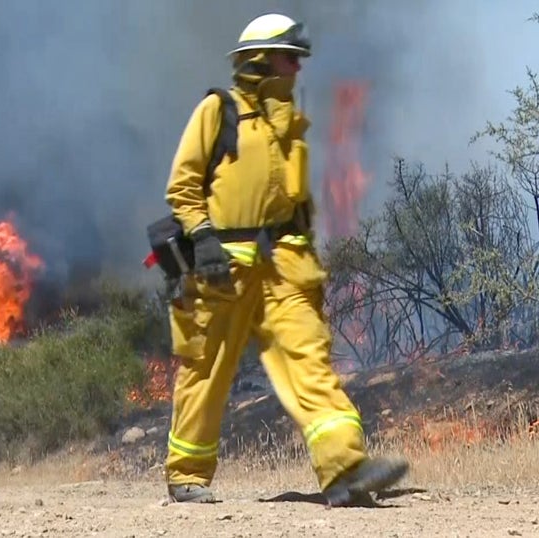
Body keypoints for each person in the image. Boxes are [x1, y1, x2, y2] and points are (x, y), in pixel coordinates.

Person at [161, 13, 408, 507]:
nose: (297, 68)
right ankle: (187, 474)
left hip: (284, 268)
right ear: (259, 60)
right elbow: (183, 186)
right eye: (289, 57)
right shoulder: (218, 110)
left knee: (309, 359)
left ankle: (345, 470)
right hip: (221, 270)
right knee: (206, 368)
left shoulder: (291, 122)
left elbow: (295, 205)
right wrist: (204, 238)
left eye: (299, 59)